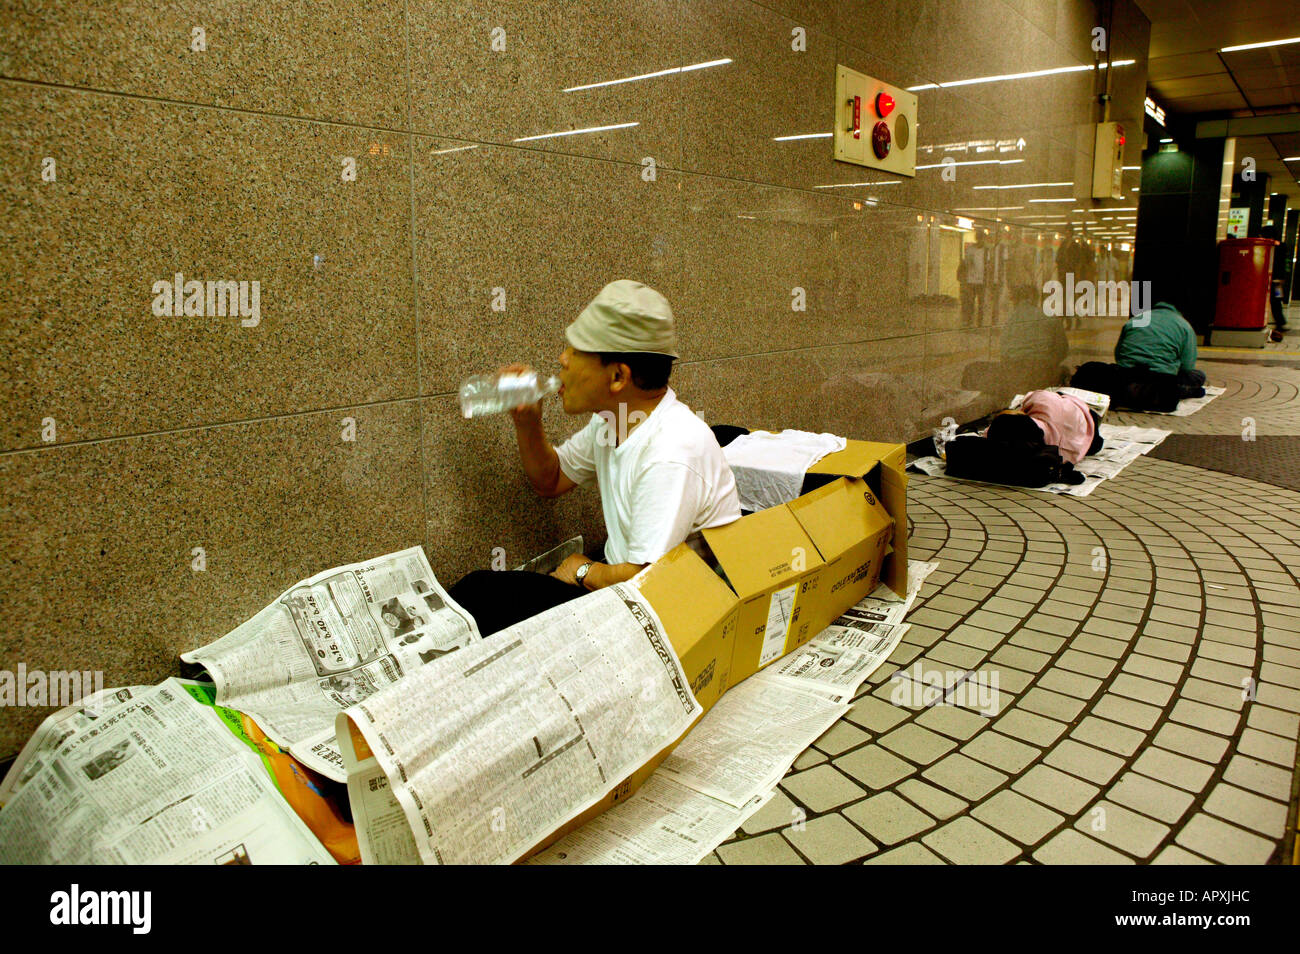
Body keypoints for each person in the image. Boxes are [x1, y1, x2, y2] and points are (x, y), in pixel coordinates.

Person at [449, 280, 742, 637]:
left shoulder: (672, 450)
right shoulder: (613, 422)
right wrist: (527, 421)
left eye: (575, 351)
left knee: (484, 598)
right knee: (480, 594)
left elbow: (645, 582)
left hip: (668, 619)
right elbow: (551, 480)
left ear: (618, 376)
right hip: (621, 591)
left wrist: (583, 570)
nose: (562, 360)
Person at [990, 390, 1101, 465]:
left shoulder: (1054, 454)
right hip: (1082, 415)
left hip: (1081, 414)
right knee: (1095, 445)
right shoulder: (1042, 400)